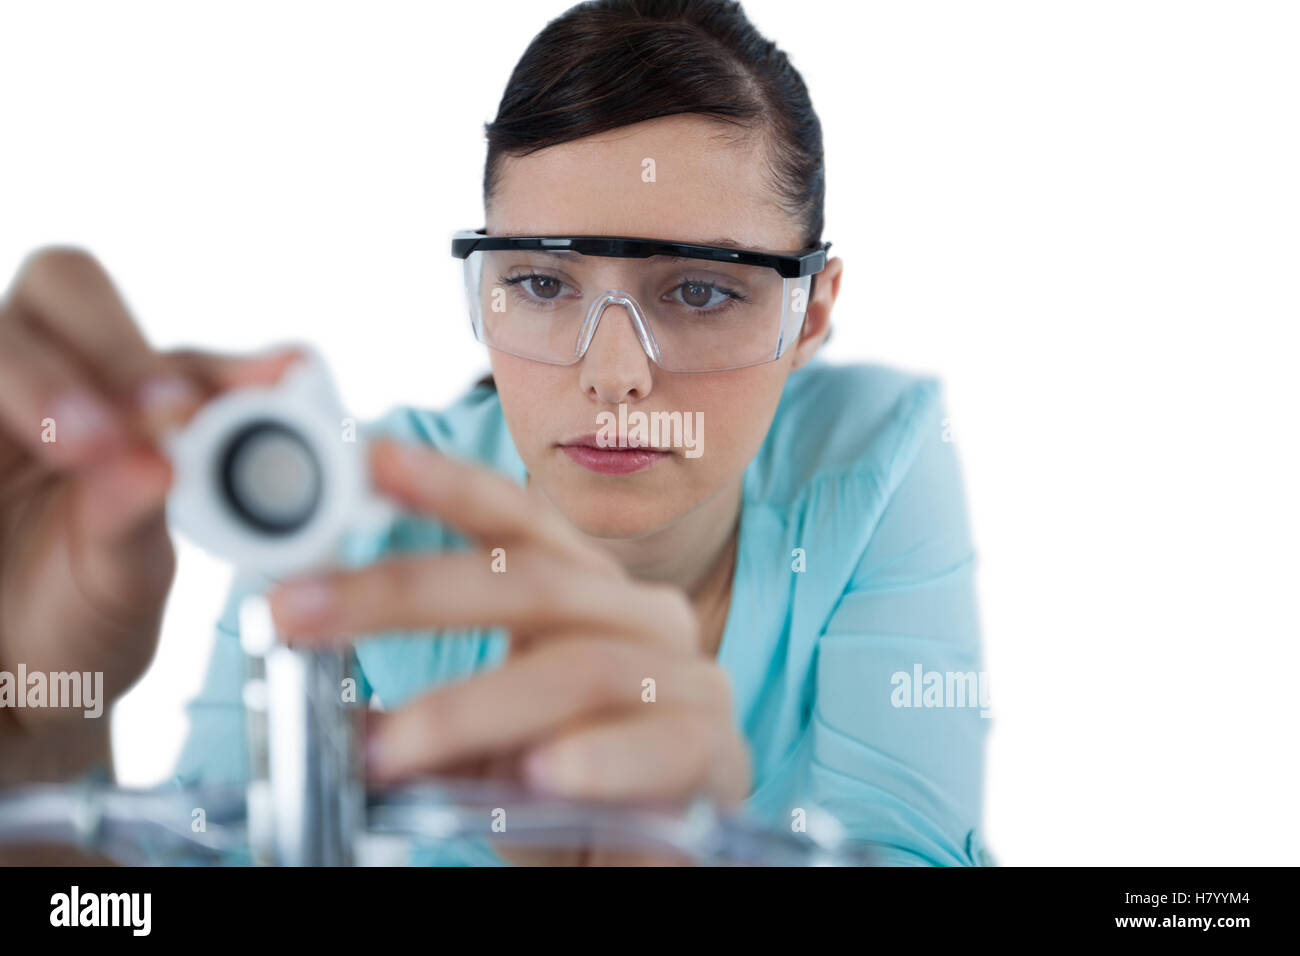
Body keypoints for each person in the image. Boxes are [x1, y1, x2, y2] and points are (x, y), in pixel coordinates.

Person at [0, 0, 992, 866]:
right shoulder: (337, 502)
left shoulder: (875, 456)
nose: (612, 373)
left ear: (811, 312)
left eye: (698, 290)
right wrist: (35, 740)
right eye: (542, 284)